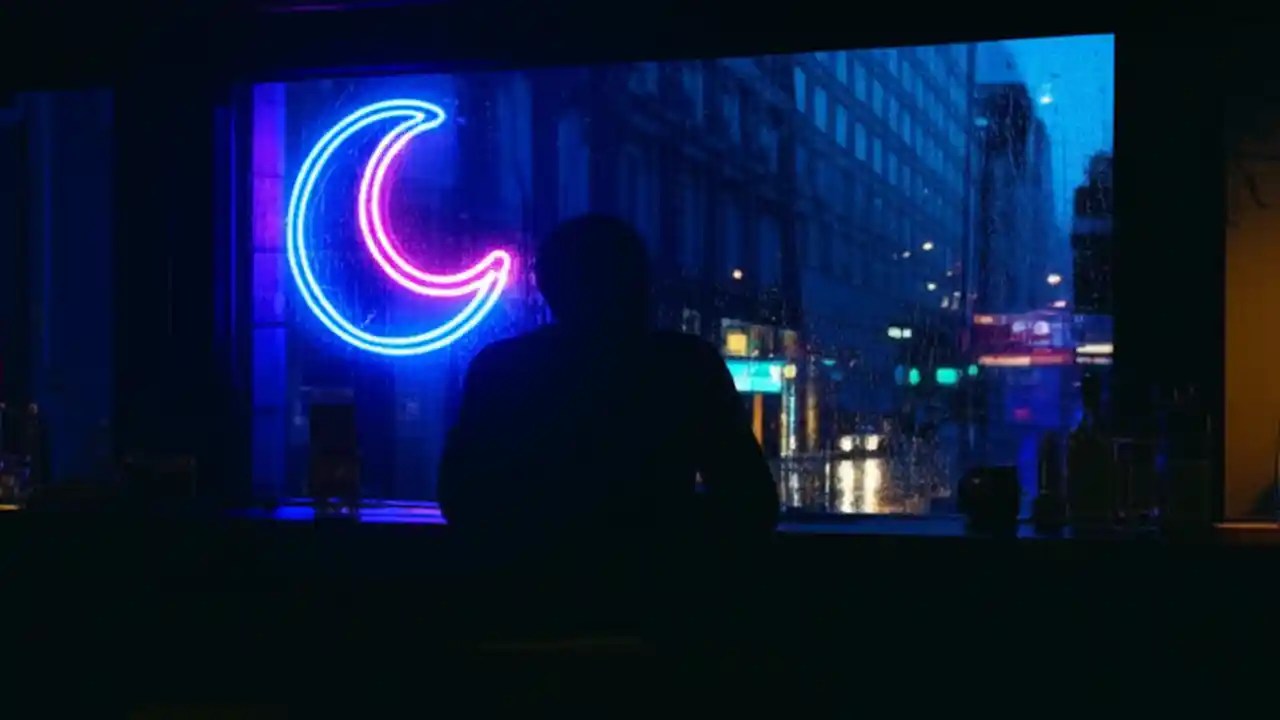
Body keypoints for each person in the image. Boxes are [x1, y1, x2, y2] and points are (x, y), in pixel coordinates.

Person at [438, 214, 779, 576]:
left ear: (548, 286)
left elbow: (462, 498)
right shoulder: (686, 366)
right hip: (655, 601)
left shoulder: (500, 367)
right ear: (641, 284)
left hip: (526, 600)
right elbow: (750, 502)